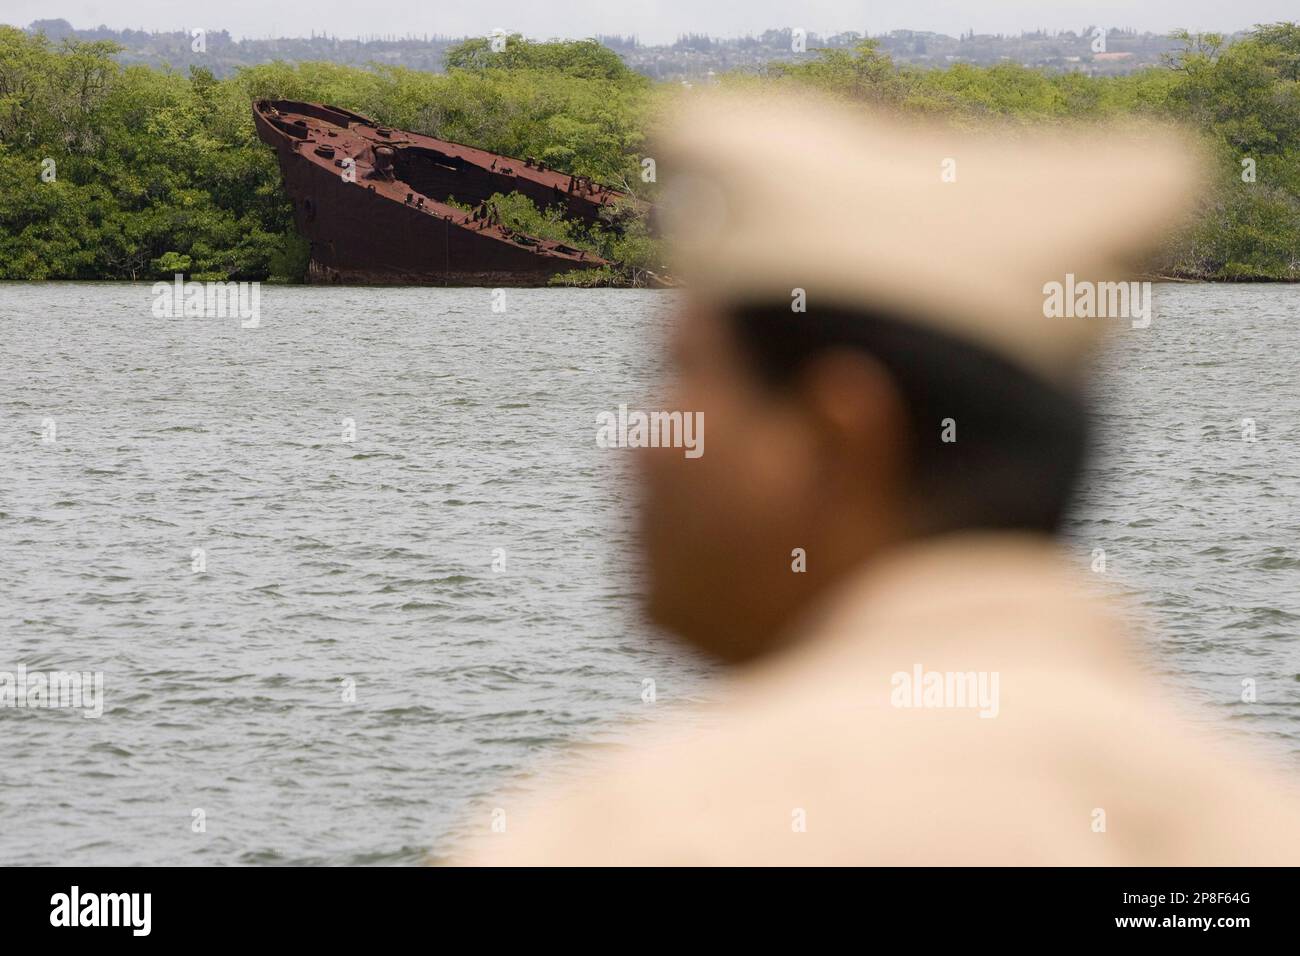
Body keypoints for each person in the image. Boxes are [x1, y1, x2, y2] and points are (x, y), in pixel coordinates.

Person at [453, 92, 1300, 865]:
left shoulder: (629, 831)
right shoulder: (1256, 816)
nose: (635, 442)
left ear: (837, 433)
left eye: (679, 378)